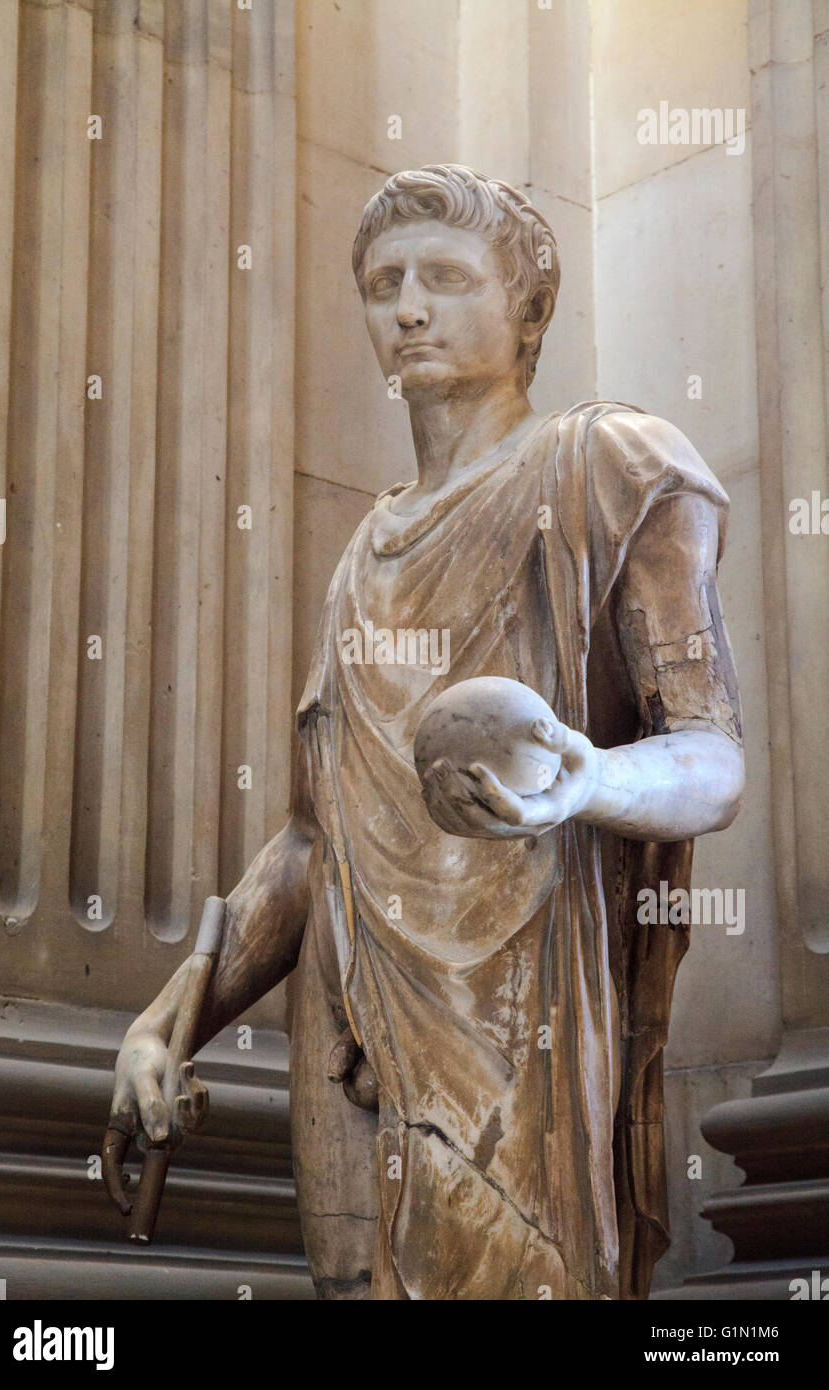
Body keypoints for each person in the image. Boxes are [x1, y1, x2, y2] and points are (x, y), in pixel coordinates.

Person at [103, 165, 744, 1300]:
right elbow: (312, 842)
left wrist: (585, 778)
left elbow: (709, 755)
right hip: (350, 1013)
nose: (406, 308)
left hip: (518, 1019)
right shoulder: (364, 554)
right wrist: (167, 1022)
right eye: (382, 282)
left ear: (527, 310)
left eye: (444, 279)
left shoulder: (608, 466)